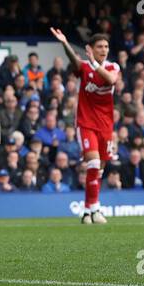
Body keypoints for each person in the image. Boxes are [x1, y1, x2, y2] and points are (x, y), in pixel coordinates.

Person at [50, 27, 119, 223]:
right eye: (100, 46)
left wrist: (96, 64)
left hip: (106, 126)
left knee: (99, 170)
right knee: (93, 163)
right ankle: (95, 208)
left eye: (106, 46)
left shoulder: (113, 67)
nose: (104, 49)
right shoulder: (84, 68)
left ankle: (88, 210)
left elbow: (111, 80)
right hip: (86, 123)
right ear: (90, 48)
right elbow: (74, 60)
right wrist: (64, 43)